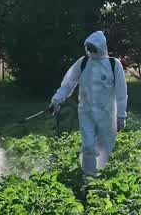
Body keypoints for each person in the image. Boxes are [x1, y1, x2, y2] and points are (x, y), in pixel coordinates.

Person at [49, 31, 128, 189]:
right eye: (89, 47)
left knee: (105, 149)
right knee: (88, 146)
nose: (91, 51)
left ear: (101, 47)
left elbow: (121, 92)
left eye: (93, 47)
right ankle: (89, 181)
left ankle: (102, 178)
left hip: (108, 115)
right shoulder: (83, 62)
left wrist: (121, 116)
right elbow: (68, 83)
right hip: (86, 113)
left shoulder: (114, 65)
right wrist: (56, 100)